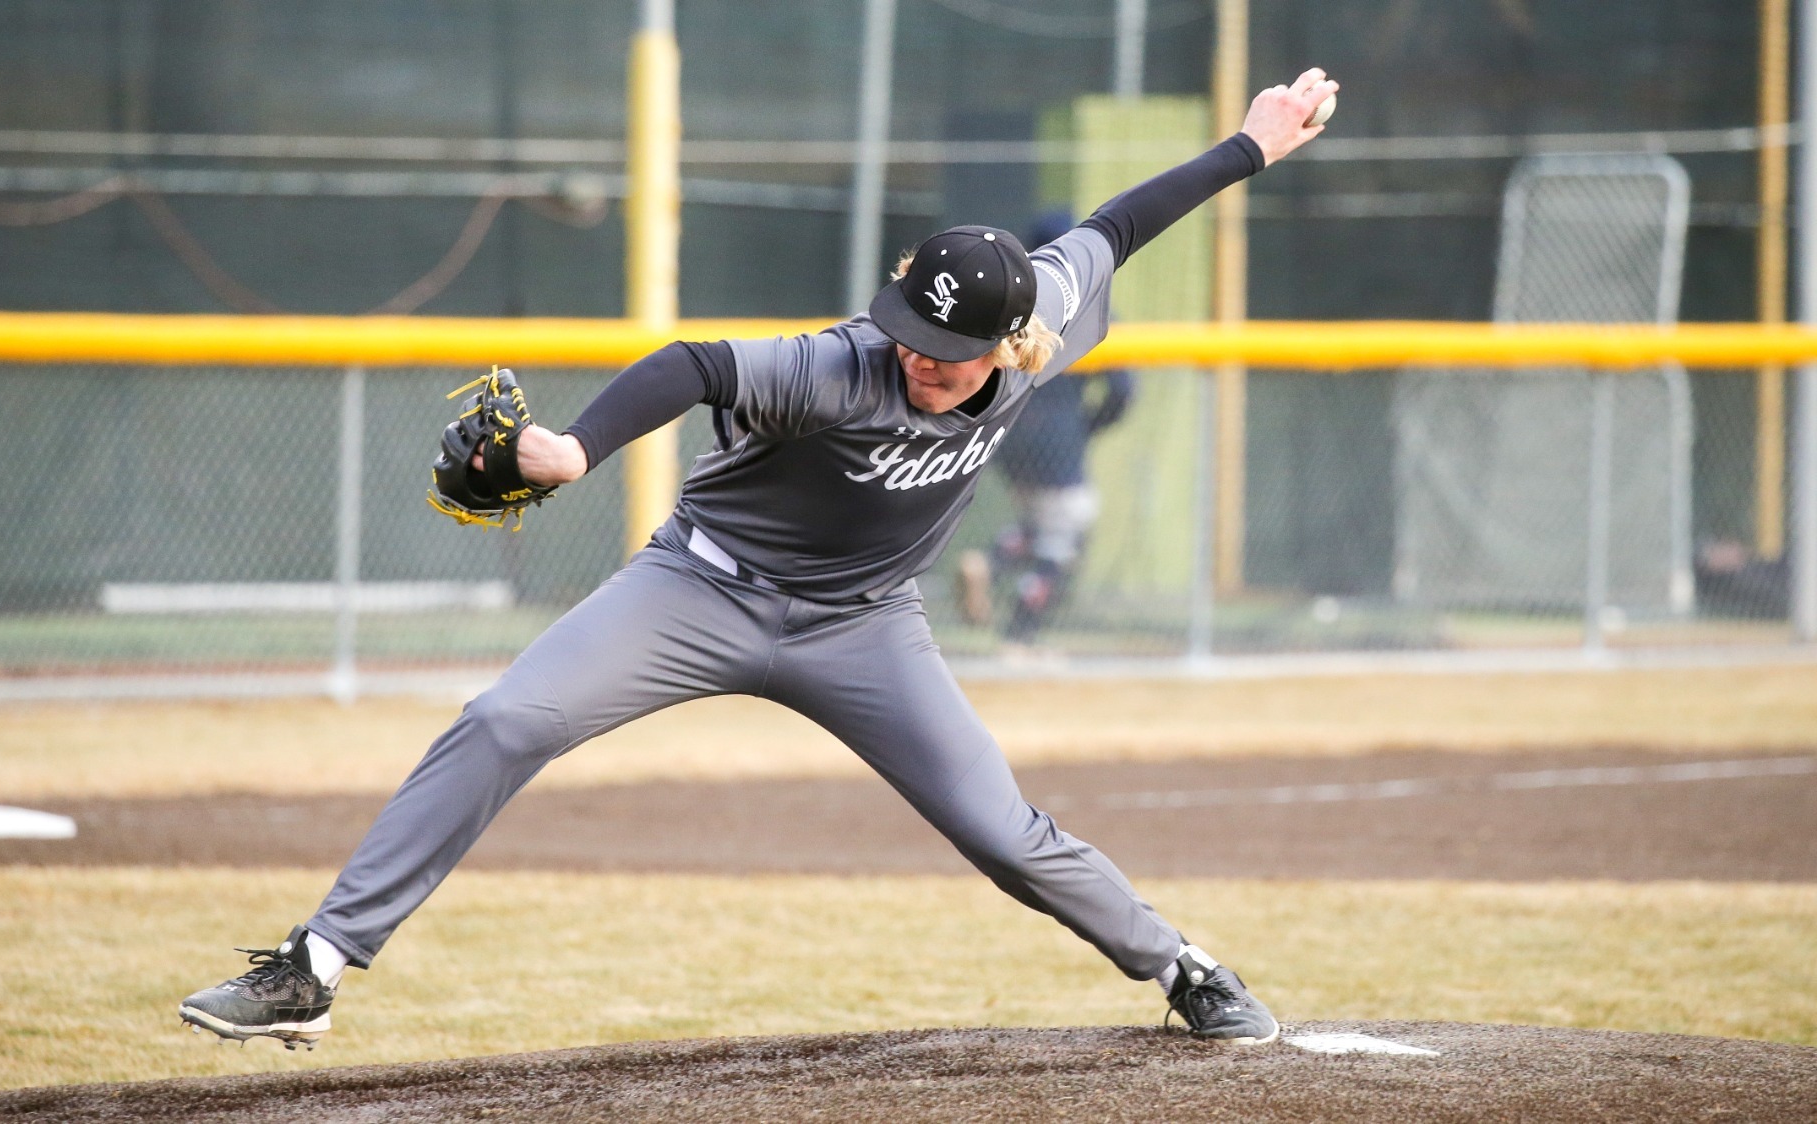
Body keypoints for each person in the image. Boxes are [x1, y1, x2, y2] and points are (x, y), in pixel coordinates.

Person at [178, 68, 1340, 1052]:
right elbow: (691, 363)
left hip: (864, 626)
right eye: (910, 331)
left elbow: (1125, 221)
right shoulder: (837, 363)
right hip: (700, 587)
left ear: (1007, 342)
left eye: (945, 353)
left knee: (1002, 833)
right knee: (505, 719)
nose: (917, 360)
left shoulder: (1046, 313)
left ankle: (1179, 963)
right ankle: (314, 965)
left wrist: (1253, 142)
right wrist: (575, 450)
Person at [957, 210, 1136, 649]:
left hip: (1008, 435)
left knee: (1040, 525)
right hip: (1059, 440)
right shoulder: (1092, 302)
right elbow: (1122, 390)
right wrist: (1085, 429)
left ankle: (991, 561)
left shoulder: (1011, 297)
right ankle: (1020, 636)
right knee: (1064, 541)